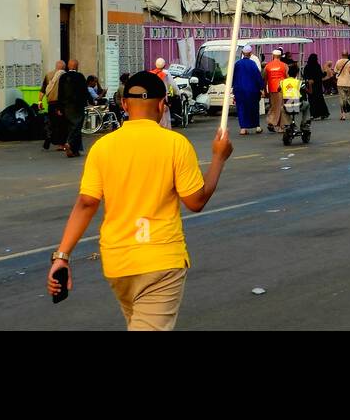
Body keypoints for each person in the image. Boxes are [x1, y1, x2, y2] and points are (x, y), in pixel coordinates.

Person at [47, 71, 232, 330]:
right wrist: (218, 160)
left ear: (124, 104)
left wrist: (62, 256)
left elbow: (86, 203)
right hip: (161, 261)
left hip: (118, 264)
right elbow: (195, 201)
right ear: (161, 105)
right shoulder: (175, 144)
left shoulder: (103, 147)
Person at [58, 60, 89, 157]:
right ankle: (69, 143)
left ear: (68, 66)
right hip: (78, 106)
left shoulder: (63, 77)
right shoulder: (80, 77)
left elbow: (60, 93)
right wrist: (89, 101)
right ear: (77, 66)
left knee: (71, 126)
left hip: (66, 106)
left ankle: (75, 150)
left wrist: (60, 107)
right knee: (77, 126)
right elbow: (85, 91)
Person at [233, 45, 264, 135]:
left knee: (241, 108)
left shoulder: (237, 64)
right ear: (250, 54)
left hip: (240, 90)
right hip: (252, 90)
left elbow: (233, 77)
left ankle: (243, 128)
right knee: (254, 108)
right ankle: (257, 127)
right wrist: (261, 88)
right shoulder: (253, 64)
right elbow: (258, 77)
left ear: (242, 53)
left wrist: (233, 88)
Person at [42, 59, 66, 151]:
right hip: (59, 103)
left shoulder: (48, 75)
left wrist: (40, 101)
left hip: (50, 103)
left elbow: (43, 90)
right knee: (61, 124)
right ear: (63, 67)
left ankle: (49, 138)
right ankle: (60, 144)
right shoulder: (64, 75)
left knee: (52, 123)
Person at [263, 50, 288, 132]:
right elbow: (287, 78)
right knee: (281, 107)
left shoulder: (268, 66)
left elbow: (265, 79)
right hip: (281, 89)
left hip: (271, 89)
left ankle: (272, 121)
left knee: (274, 106)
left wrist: (265, 90)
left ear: (273, 55)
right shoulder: (284, 65)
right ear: (280, 56)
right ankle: (279, 125)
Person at [302, 51, 330, 121]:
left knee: (312, 100)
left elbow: (304, 76)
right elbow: (321, 75)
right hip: (318, 85)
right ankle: (323, 113)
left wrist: (308, 80)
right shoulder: (317, 66)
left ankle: (313, 114)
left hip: (310, 86)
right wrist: (325, 72)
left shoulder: (307, 67)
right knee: (320, 100)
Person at [333, 49, 350, 121]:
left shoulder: (338, 62)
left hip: (340, 83)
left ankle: (343, 115)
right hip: (348, 83)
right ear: (347, 55)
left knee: (342, 99)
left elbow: (334, 72)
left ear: (341, 55)